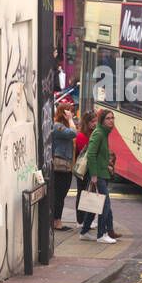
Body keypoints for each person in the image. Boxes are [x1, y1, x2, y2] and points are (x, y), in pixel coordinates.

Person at [79, 109, 117, 243]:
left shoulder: (104, 133)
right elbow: (91, 154)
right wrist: (94, 175)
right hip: (98, 175)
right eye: (108, 118)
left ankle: (84, 232)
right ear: (102, 120)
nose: (111, 120)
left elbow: (100, 156)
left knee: (95, 204)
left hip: (102, 173)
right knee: (104, 205)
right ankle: (101, 235)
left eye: (112, 118)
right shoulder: (99, 133)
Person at [51, 101, 78, 230]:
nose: (72, 114)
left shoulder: (63, 126)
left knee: (61, 195)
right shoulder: (58, 127)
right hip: (60, 166)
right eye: (70, 111)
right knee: (59, 195)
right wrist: (71, 120)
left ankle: (57, 220)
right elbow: (73, 133)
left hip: (66, 166)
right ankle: (57, 222)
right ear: (64, 113)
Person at [73, 109, 96, 229]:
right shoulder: (82, 136)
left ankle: (84, 220)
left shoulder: (91, 133)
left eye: (96, 121)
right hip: (85, 169)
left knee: (86, 194)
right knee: (83, 193)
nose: (95, 123)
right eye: (92, 121)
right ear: (87, 123)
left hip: (86, 169)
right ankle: (81, 220)